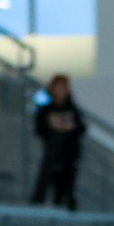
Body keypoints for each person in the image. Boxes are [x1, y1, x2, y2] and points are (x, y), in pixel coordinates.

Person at [31, 74, 87, 211]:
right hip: (52, 150)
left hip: (69, 151)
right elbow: (40, 127)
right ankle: (39, 201)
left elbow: (80, 127)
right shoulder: (46, 109)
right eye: (58, 88)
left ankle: (66, 202)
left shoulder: (73, 109)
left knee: (68, 177)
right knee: (48, 175)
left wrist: (67, 126)